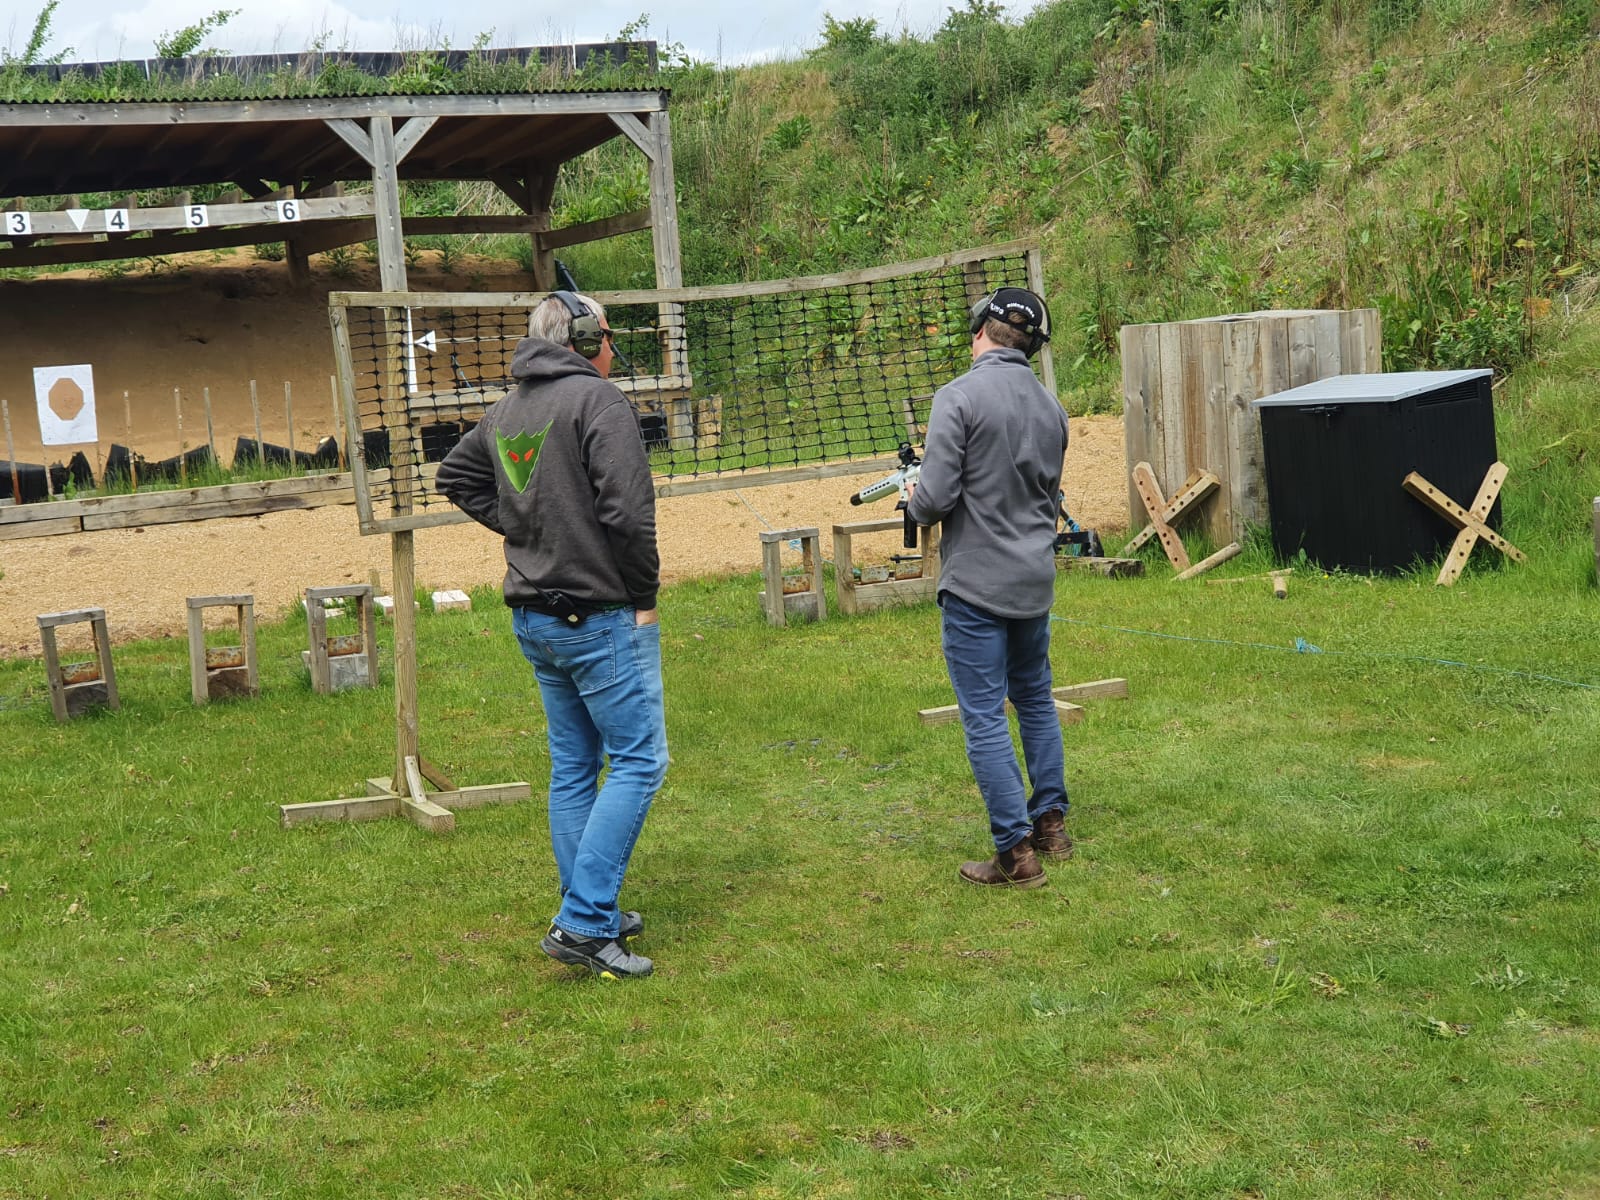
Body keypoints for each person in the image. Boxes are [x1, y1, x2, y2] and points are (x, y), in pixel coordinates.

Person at [436, 291, 667, 979]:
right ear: (590, 336)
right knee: (639, 762)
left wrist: (529, 532)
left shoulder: (510, 409)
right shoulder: (601, 403)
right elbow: (627, 515)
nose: (612, 342)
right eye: (608, 331)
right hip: (597, 617)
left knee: (573, 769)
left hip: (536, 619)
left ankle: (585, 903)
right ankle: (587, 922)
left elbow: (458, 475)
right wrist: (644, 596)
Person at [906, 287, 1072, 889]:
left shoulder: (957, 397)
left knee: (982, 716)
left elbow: (934, 500)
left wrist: (911, 498)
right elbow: (1050, 499)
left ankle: (1015, 852)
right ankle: (1051, 824)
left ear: (980, 329)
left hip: (976, 584)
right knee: (1034, 699)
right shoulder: (1053, 410)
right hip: (1034, 581)